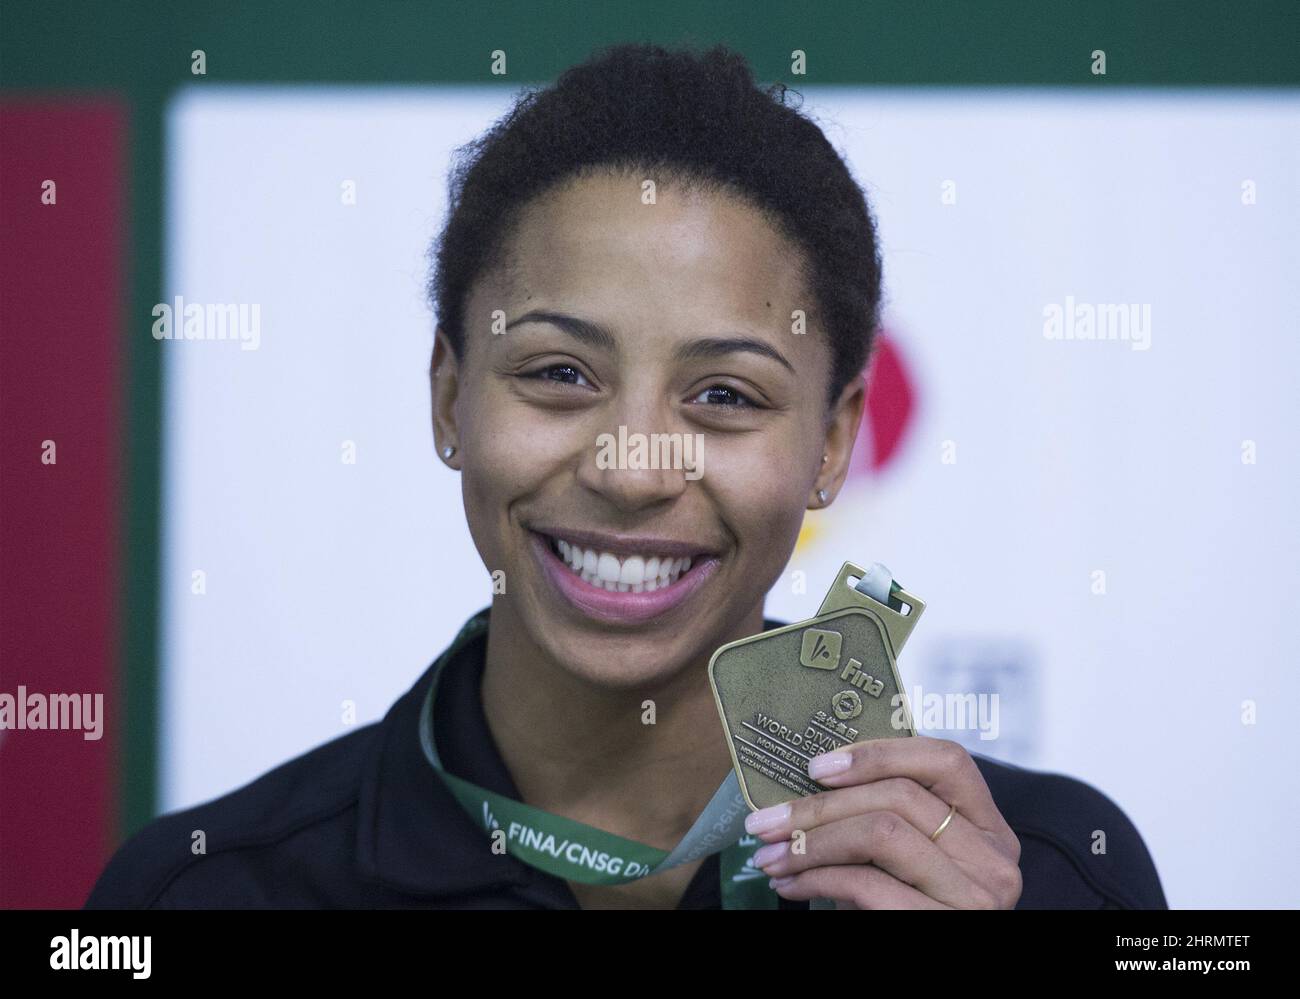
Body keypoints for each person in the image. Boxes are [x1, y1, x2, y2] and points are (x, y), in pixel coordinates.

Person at [86, 42, 1166, 910]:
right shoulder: (203, 890)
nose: (632, 467)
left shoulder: (1046, 874)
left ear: (834, 442)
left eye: (726, 396)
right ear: (448, 396)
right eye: (559, 373)